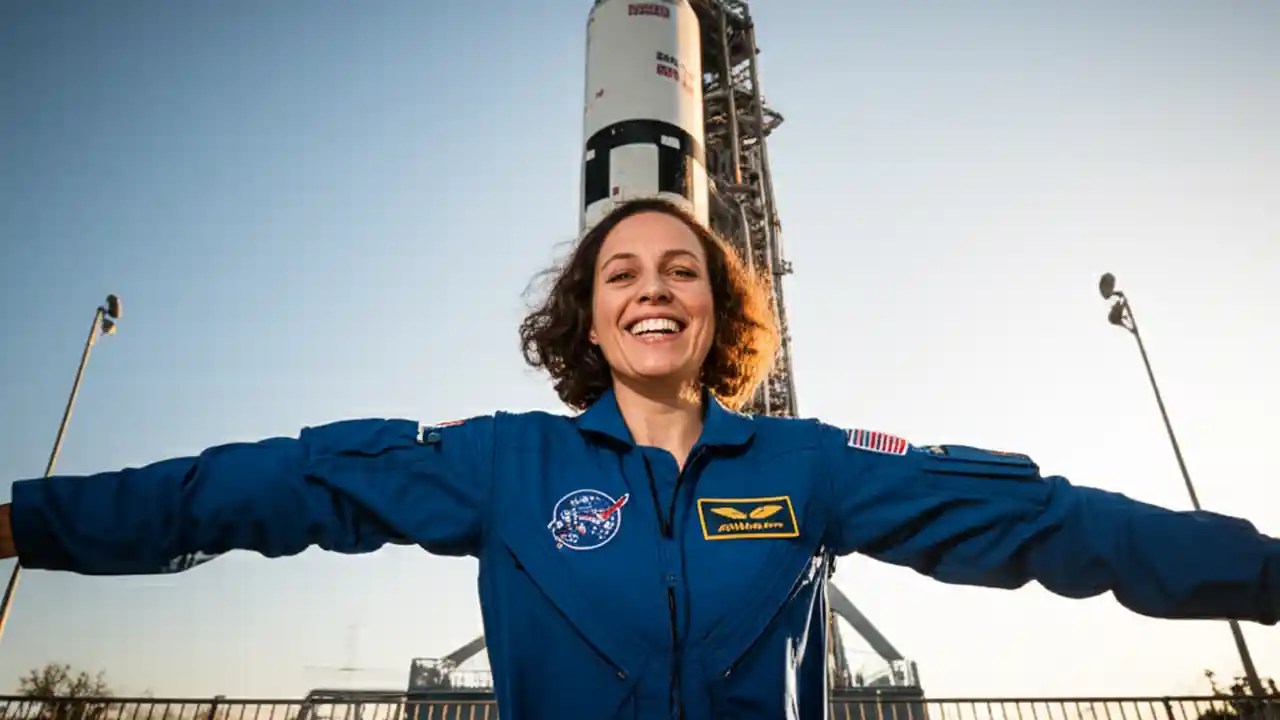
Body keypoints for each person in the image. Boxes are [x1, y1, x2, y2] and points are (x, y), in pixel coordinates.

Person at [1, 197, 1276, 719]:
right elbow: (276, 484)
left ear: (719, 309)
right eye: (622, 274)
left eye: (682, 271)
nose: (652, 290)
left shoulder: (809, 467)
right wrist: (26, 524)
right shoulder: (504, 467)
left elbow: (1052, 525)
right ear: (587, 314)